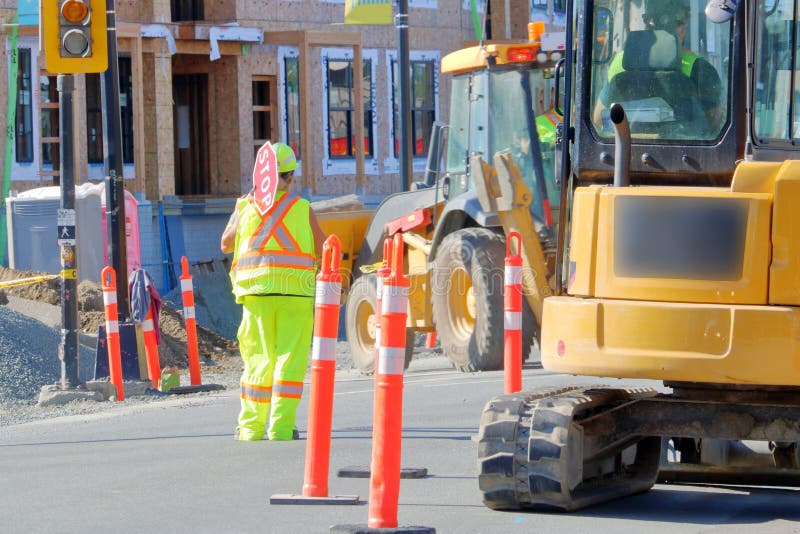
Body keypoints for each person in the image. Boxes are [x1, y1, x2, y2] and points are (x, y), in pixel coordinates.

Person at [220, 142, 326, 441]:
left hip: (256, 294)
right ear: (291, 178)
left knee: (258, 359)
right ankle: (280, 427)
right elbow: (323, 248)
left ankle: (251, 428)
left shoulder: (245, 207)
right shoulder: (302, 208)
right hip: (296, 294)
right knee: (290, 360)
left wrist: (240, 210)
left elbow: (225, 244)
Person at [592, 0, 724, 134]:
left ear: (648, 24)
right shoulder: (699, 68)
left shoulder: (619, 62)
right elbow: (713, 124)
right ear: (683, 26)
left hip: (621, 146)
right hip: (682, 147)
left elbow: (598, 119)